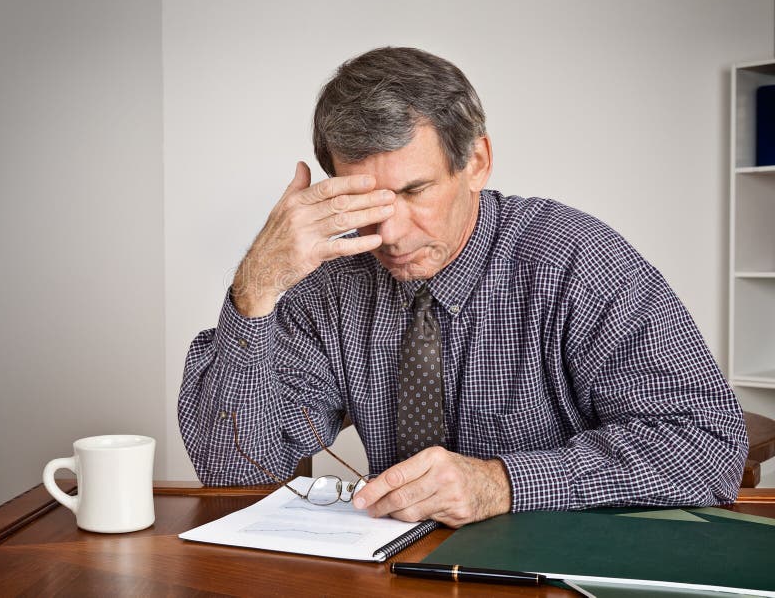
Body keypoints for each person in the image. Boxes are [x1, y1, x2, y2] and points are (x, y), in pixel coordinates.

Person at [179, 47, 747, 528]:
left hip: (562, 561)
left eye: (414, 191)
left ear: (476, 161)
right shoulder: (330, 283)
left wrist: (502, 483)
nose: (390, 235)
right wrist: (256, 287)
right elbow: (235, 473)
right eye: (364, 201)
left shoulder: (577, 260)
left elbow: (708, 446)